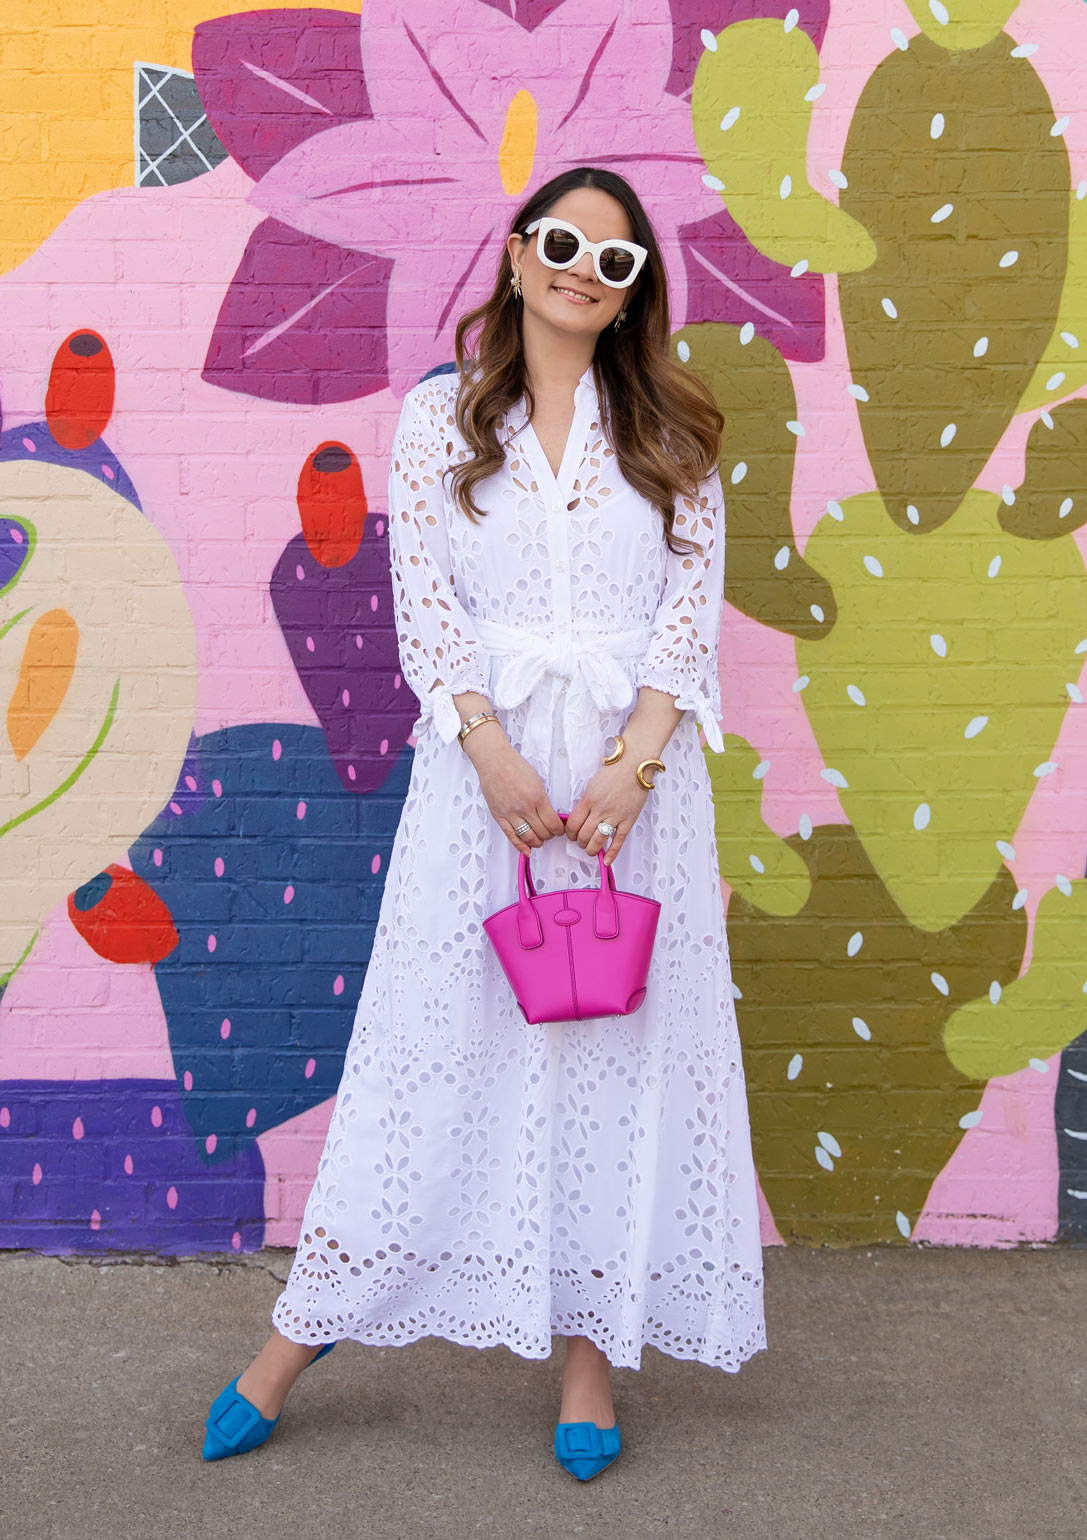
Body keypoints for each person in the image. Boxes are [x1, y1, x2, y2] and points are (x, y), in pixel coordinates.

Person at [201, 166, 766, 1482]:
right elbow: (428, 606)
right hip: (483, 785)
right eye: (564, 244)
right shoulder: (438, 418)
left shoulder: (673, 428)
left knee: (617, 1057)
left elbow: (692, 608)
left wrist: (632, 768)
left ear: (635, 296)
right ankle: (307, 1325)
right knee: (425, 1044)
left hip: (636, 794)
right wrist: (493, 754)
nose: (585, 270)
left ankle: (589, 1358)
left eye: (615, 262)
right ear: (518, 258)